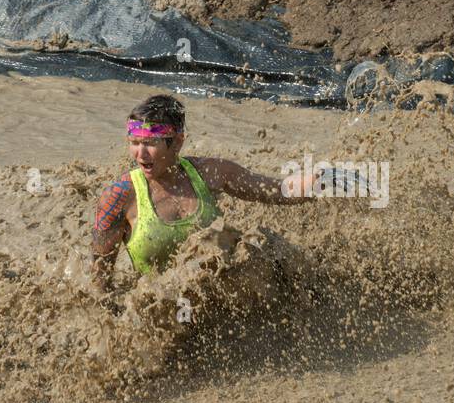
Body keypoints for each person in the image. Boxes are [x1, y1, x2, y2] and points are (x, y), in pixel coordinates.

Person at [90, 94, 322, 290]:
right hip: (163, 317)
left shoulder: (210, 173)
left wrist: (326, 179)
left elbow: (277, 190)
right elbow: (100, 281)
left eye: (151, 143)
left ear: (178, 142)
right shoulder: (119, 196)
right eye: (134, 142)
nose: (140, 154)